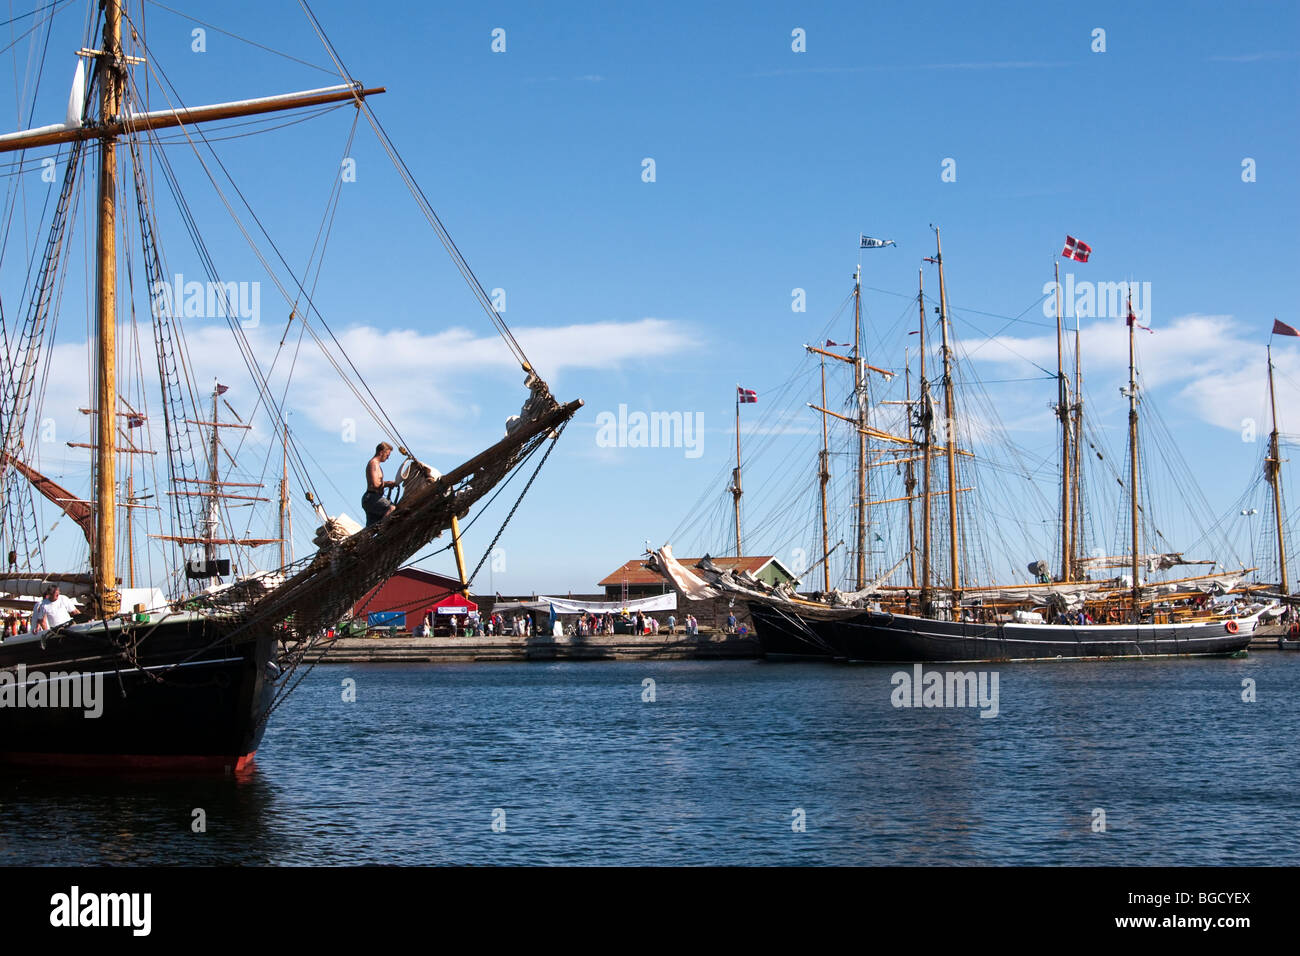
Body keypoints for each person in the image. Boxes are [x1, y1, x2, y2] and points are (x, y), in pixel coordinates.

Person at [362, 441, 399, 527]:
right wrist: (388, 484)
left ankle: (367, 539)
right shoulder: (373, 463)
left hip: (371, 499)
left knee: (371, 528)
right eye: (387, 455)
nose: (387, 458)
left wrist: (387, 484)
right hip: (372, 498)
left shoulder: (376, 465)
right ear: (381, 452)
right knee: (392, 508)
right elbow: (375, 484)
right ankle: (382, 534)